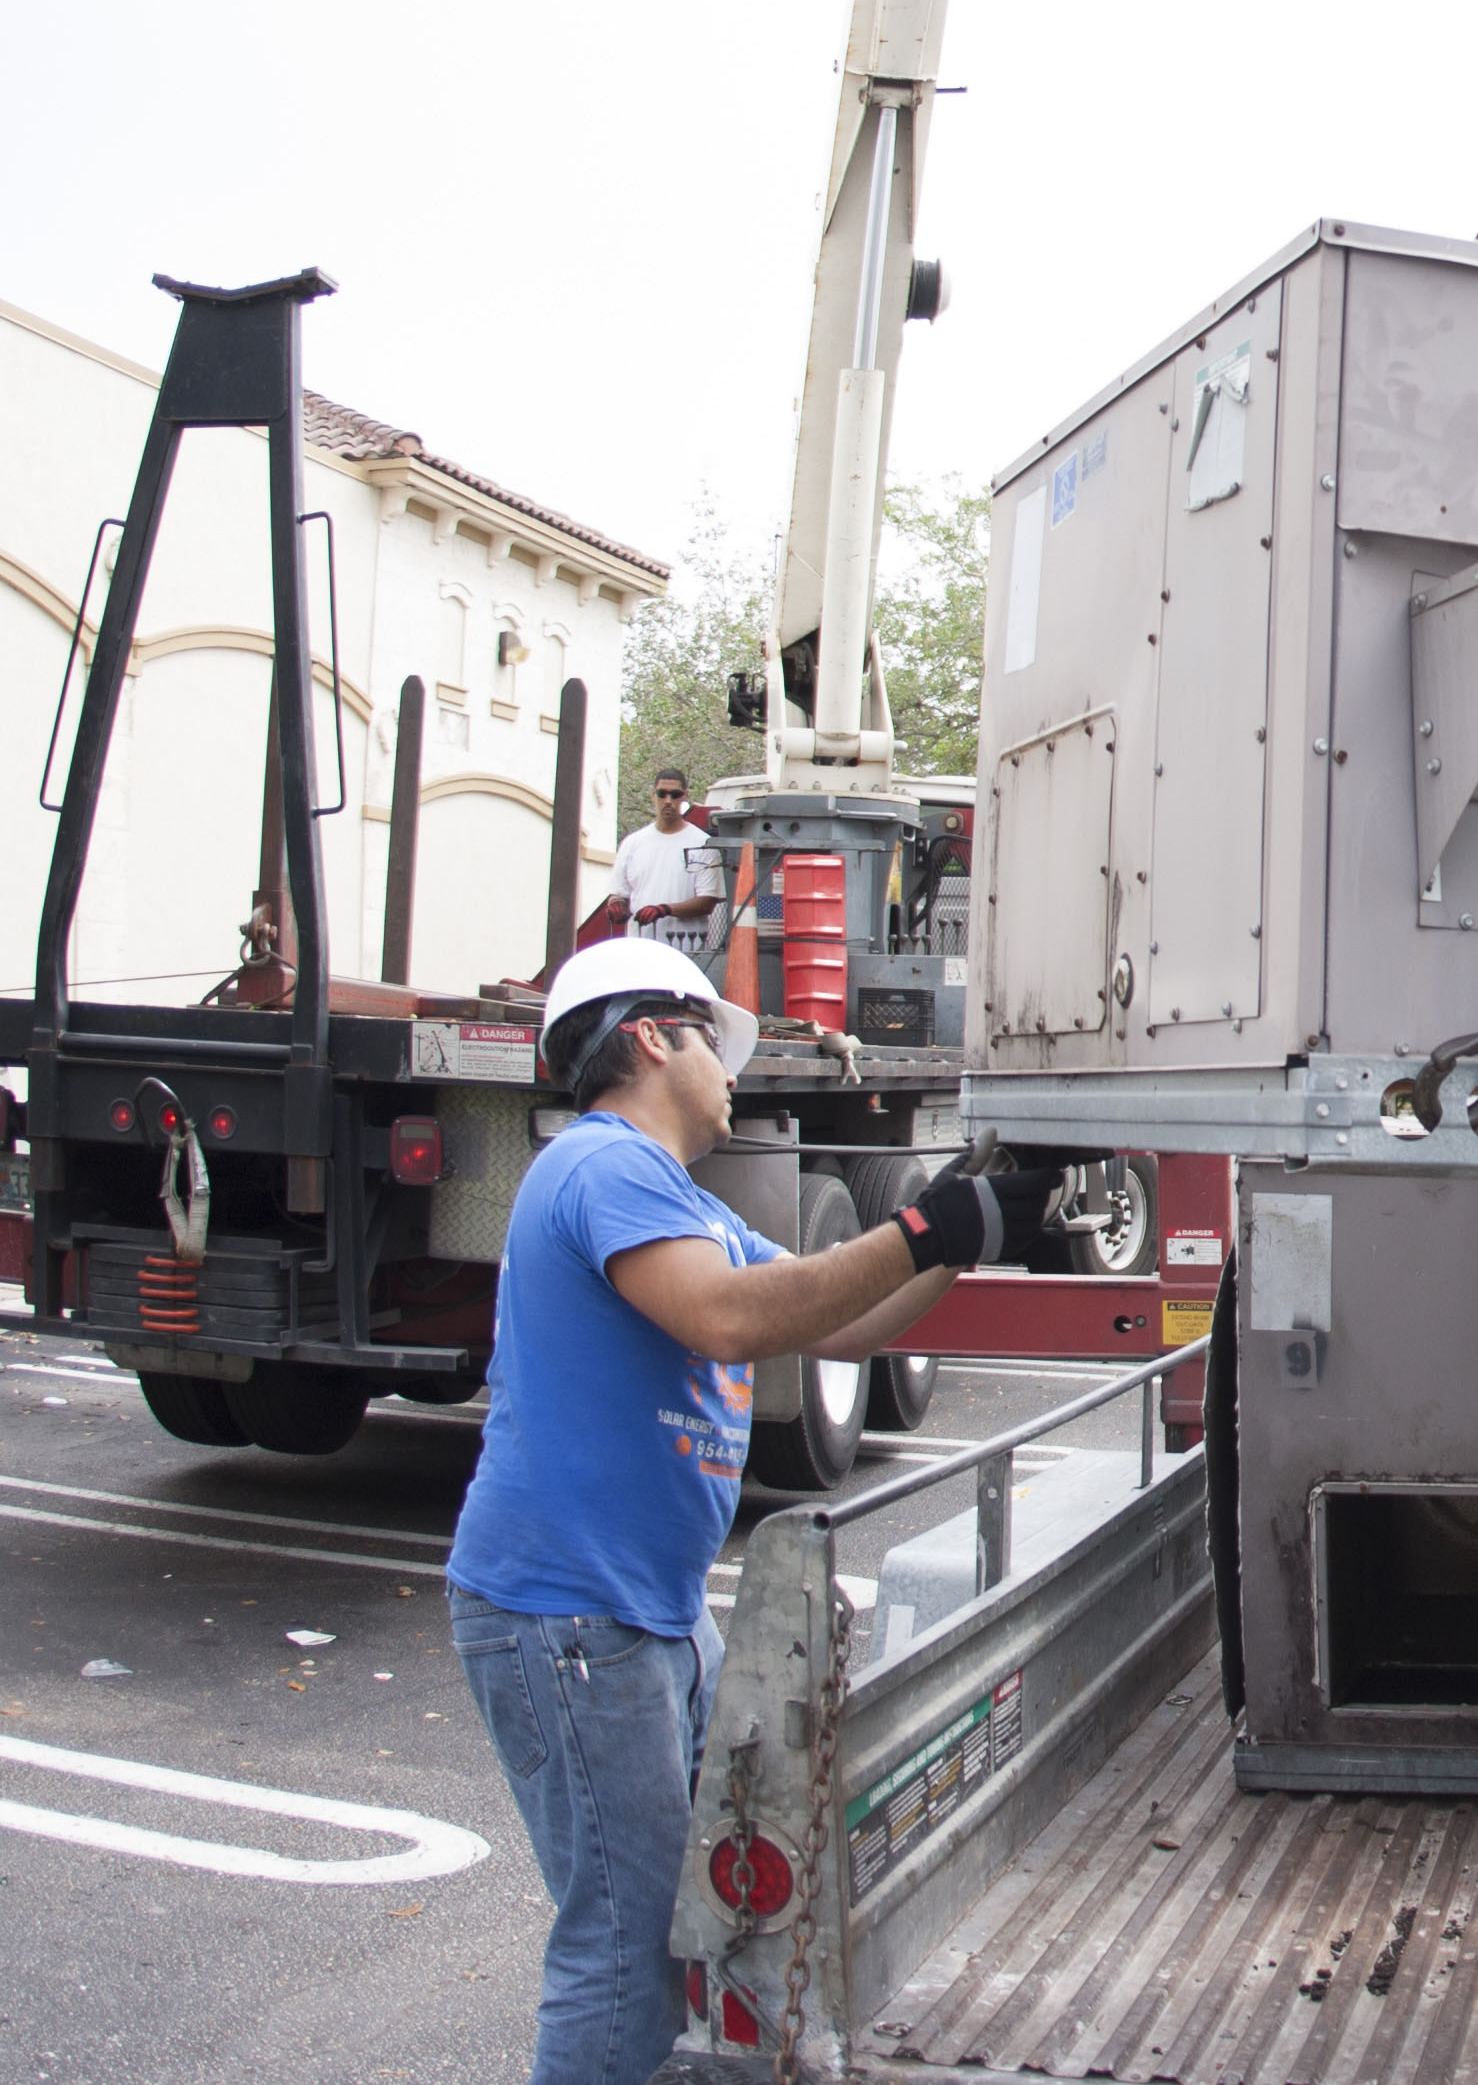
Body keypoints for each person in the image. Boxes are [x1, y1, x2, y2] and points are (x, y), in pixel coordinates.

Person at [444, 936, 1064, 2085]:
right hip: (569, 1615)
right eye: (713, 1044)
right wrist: (930, 1231)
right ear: (648, 1038)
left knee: (712, 1914)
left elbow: (832, 1323)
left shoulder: (675, 1197)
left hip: (649, 1616)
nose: (735, 1071)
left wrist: (970, 1229)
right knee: (628, 1942)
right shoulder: (599, 1165)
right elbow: (729, 1320)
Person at [611, 770, 722, 959]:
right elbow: (619, 892)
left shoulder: (703, 843)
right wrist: (615, 904)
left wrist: (664, 910)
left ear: (684, 797)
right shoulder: (633, 843)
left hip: (687, 949)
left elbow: (707, 902)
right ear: (653, 796)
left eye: (675, 795)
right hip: (640, 948)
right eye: (662, 794)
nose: (668, 800)